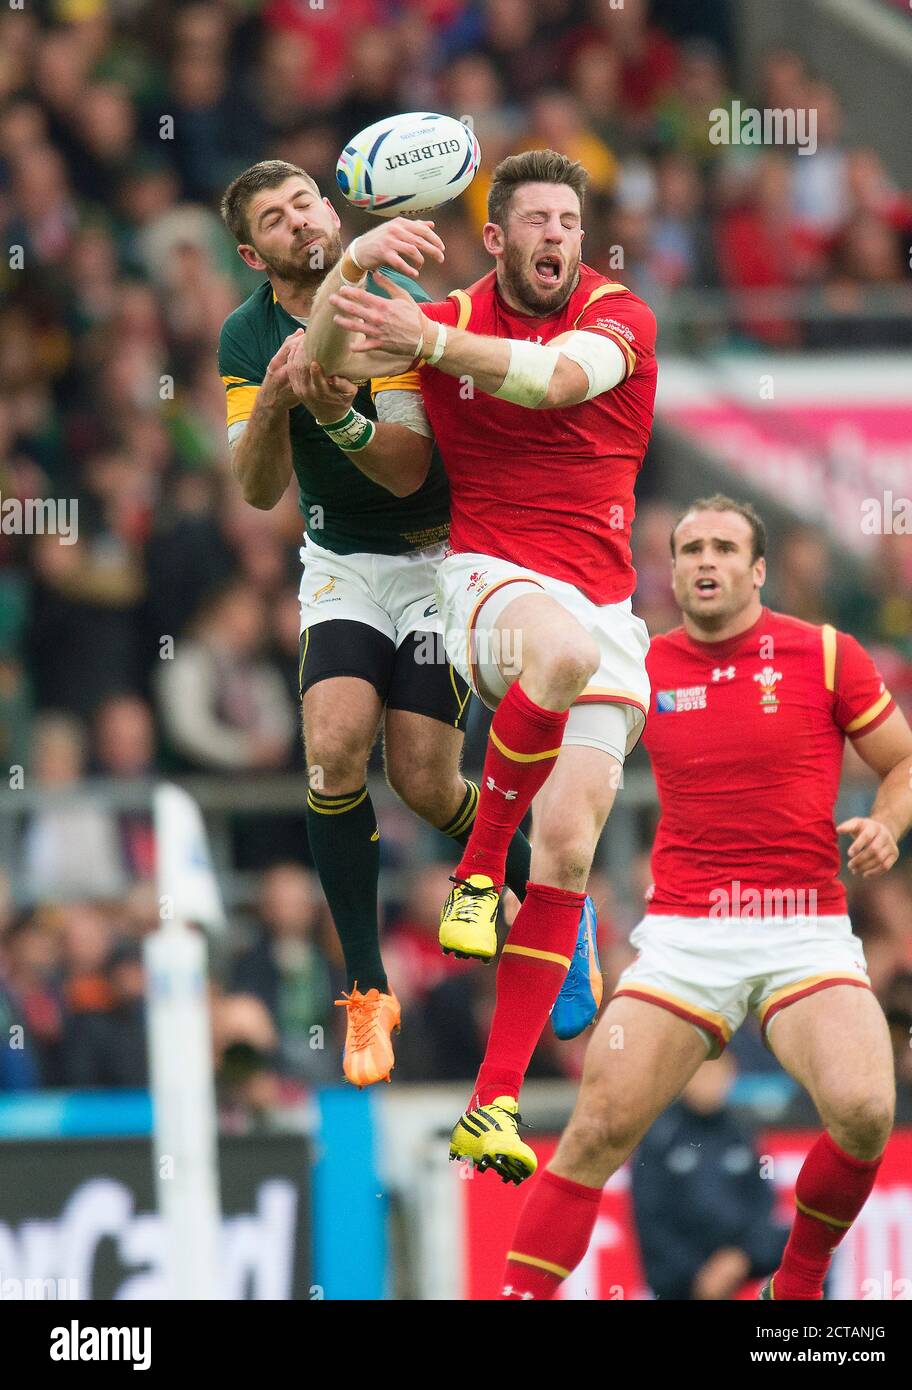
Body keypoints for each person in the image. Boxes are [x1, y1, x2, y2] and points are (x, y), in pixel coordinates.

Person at [302, 148, 657, 1181]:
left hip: (605, 606)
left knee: (570, 846)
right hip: (485, 583)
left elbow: (554, 383)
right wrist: (355, 266)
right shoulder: (443, 316)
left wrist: (431, 339)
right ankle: (469, 879)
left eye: (568, 221)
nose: (557, 237)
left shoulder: (618, 316)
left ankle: (492, 1104)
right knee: (554, 651)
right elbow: (334, 363)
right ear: (495, 237)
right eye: (535, 221)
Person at [498, 495, 912, 1299]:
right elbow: (565, 773)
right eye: (689, 547)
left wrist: (888, 822)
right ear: (670, 568)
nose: (704, 561)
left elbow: (907, 765)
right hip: (684, 939)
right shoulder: (636, 662)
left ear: (758, 570)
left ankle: (791, 1291)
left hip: (803, 930)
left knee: (867, 1110)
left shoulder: (827, 655)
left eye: (724, 548)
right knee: (590, 1132)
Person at [217, 160, 575, 1089]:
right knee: (333, 751)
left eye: (306, 201)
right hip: (340, 564)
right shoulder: (246, 337)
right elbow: (257, 490)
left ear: (331, 211)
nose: (300, 221)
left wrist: (333, 422)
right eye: (275, 218)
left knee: (422, 782)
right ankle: (369, 993)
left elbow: (412, 472)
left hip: (435, 560)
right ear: (254, 253)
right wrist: (284, 402)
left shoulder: (400, 303)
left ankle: (553, 913)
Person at [630, 1054, 788, 1300]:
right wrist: (699, 1273)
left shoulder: (741, 1133)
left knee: (816, 1245)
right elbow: (650, 1219)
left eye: (717, 1072)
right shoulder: (660, 1136)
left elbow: (763, 1206)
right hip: (679, 1280)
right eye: (702, 1073)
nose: (710, 1082)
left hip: (736, 1264)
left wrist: (740, 1258)